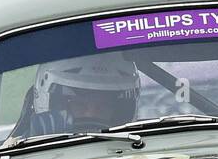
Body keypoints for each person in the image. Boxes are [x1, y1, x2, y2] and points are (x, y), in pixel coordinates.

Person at [10, 53, 142, 140]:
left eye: (103, 107)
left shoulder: (137, 145)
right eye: (80, 105)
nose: (91, 114)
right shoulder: (18, 153)